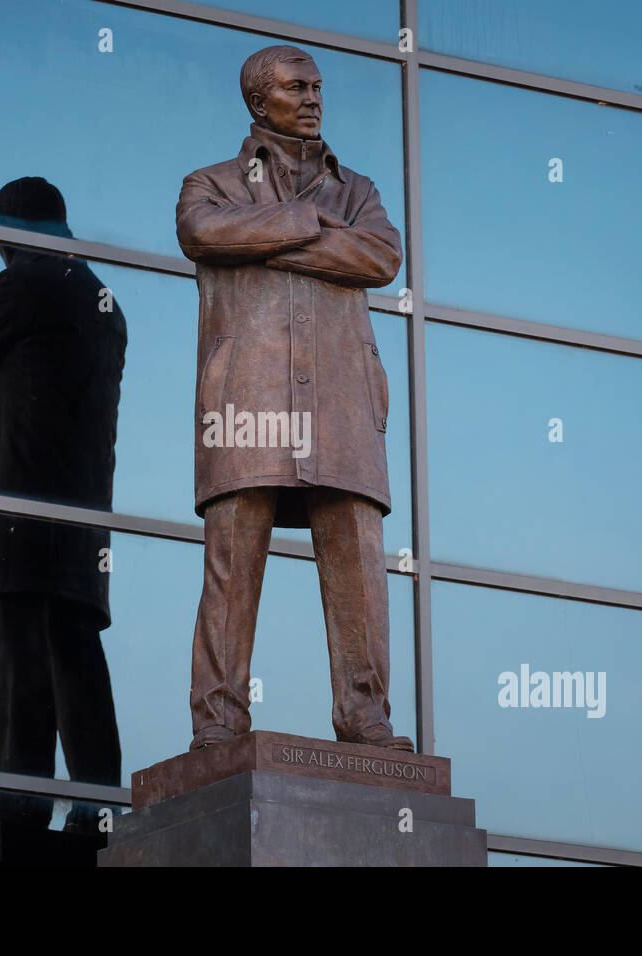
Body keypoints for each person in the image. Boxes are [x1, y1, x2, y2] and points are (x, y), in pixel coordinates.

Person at [176, 45, 413, 752]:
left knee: (359, 565)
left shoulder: (360, 191)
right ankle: (218, 724)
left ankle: (366, 718)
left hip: (341, 402)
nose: (313, 97)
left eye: (317, 86)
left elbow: (380, 257)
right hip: (245, 398)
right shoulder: (209, 183)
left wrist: (263, 237)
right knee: (232, 559)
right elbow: (202, 232)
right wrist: (312, 226)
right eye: (296, 86)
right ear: (259, 102)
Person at [0, 177, 126, 835]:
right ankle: (96, 807)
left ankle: (20, 805)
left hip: (16, 503)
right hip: (81, 513)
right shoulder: (103, 300)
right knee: (74, 656)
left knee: (16, 650)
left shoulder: (27, 281)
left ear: (10, 228)